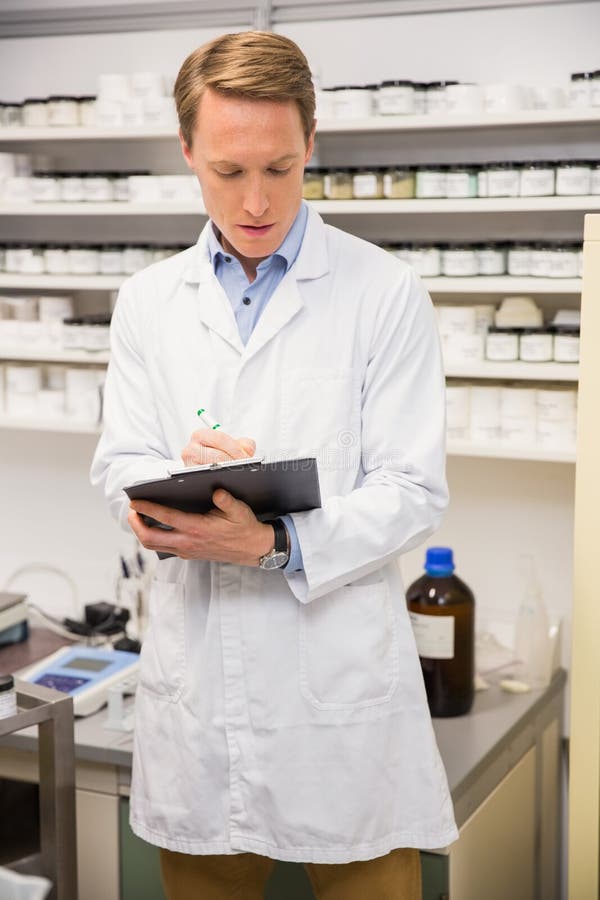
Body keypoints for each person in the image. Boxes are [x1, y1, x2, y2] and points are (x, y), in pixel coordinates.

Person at [91, 30, 457, 900]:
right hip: (201, 711)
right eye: (228, 171)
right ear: (187, 152)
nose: (258, 200)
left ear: (311, 143)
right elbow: (120, 465)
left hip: (344, 711)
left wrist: (273, 544)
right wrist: (161, 496)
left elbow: (413, 491)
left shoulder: (383, 293)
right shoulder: (147, 304)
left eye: (280, 168)